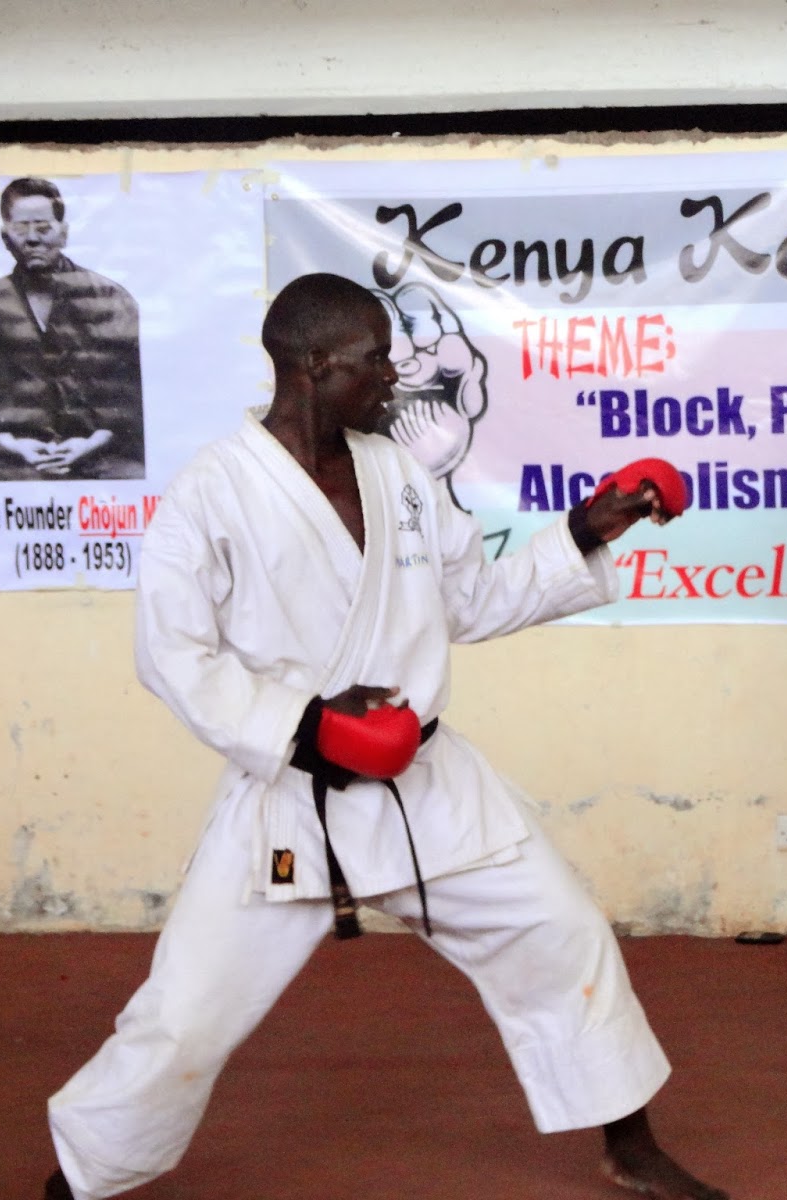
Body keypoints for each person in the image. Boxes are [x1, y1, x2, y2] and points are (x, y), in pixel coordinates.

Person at [43, 273, 725, 1200]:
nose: (394, 375)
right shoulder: (213, 492)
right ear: (315, 363)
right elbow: (172, 654)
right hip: (293, 797)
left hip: (424, 780)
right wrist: (307, 724)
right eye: (376, 359)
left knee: (563, 933)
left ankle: (629, 1144)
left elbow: (470, 599)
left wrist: (584, 530)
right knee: (185, 1015)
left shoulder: (397, 471)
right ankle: (82, 1173)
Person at [0, 176, 144, 481]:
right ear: (5, 237)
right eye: (21, 228)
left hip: (102, 456)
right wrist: (12, 444)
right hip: (11, 462)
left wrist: (92, 442)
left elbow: (136, 395)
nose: (32, 239)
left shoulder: (110, 300)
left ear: (63, 233)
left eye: (43, 228)